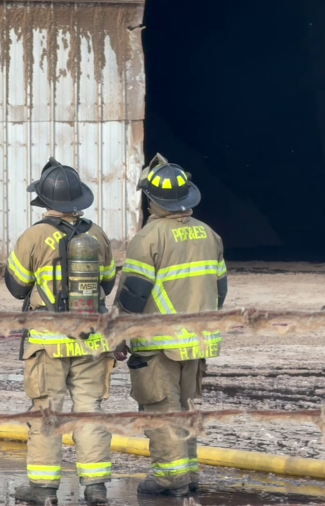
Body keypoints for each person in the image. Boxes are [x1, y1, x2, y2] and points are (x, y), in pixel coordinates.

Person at [5, 158, 117, 506]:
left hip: (46, 343)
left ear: (45, 200)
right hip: (92, 340)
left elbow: (17, 286)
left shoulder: (34, 236)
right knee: (89, 410)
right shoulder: (96, 234)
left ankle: (43, 490)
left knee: (46, 413)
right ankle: (96, 488)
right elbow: (108, 282)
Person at [115, 154, 227, 497]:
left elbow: (133, 296)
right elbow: (220, 290)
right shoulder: (210, 234)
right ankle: (189, 476)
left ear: (152, 199)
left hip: (159, 343)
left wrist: (118, 336)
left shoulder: (148, 238)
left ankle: (170, 479)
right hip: (197, 340)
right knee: (183, 408)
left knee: (162, 411)